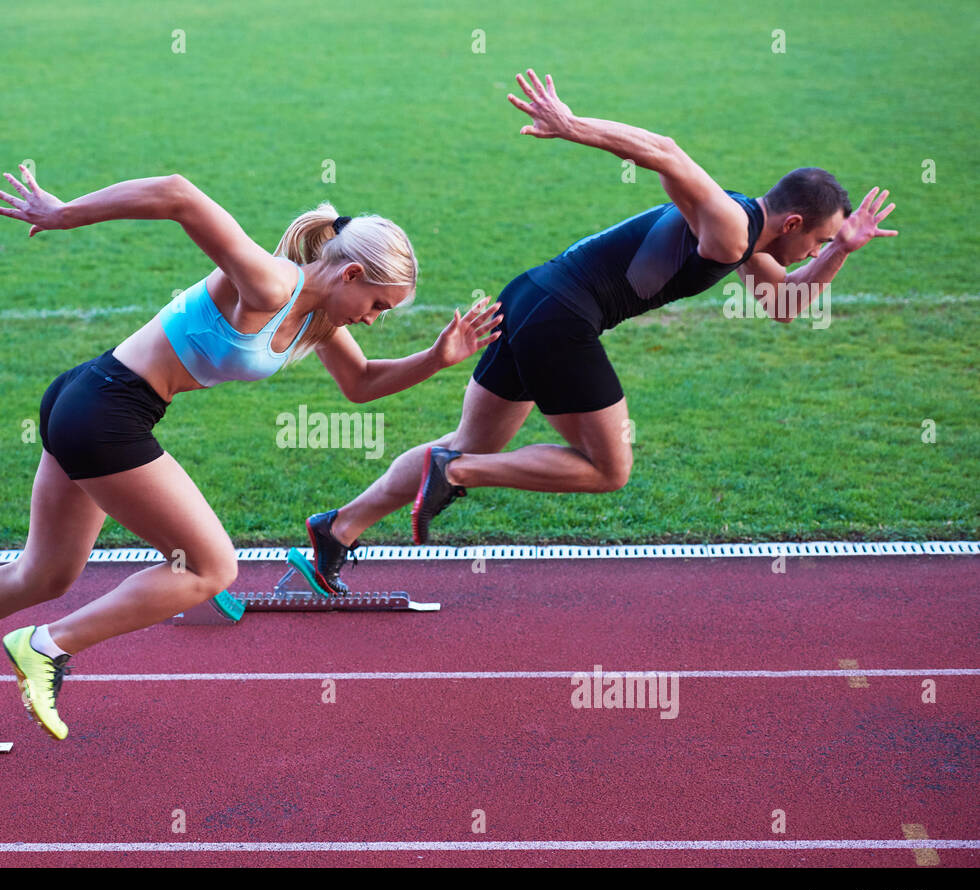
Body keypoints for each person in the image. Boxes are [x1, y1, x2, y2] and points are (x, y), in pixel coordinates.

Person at [0, 166, 502, 739]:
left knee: (43, 574)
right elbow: (177, 194)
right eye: (378, 304)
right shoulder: (272, 285)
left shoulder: (315, 316)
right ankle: (47, 647)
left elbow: (361, 386)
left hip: (87, 398)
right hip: (106, 411)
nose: (373, 318)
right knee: (210, 567)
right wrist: (62, 213)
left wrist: (439, 358)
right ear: (352, 272)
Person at [305, 68, 897, 593]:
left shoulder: (740, 233)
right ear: (793, 222)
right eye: (816, 241)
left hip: (532, 296)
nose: (809, 253)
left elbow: (786, 303)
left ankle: (339, 528)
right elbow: (665, 151)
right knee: (608, 469)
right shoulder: (729, 224)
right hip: (564, 318)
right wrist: (571, 124)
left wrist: (840, 251)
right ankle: (456, 475)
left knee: (471, 437)